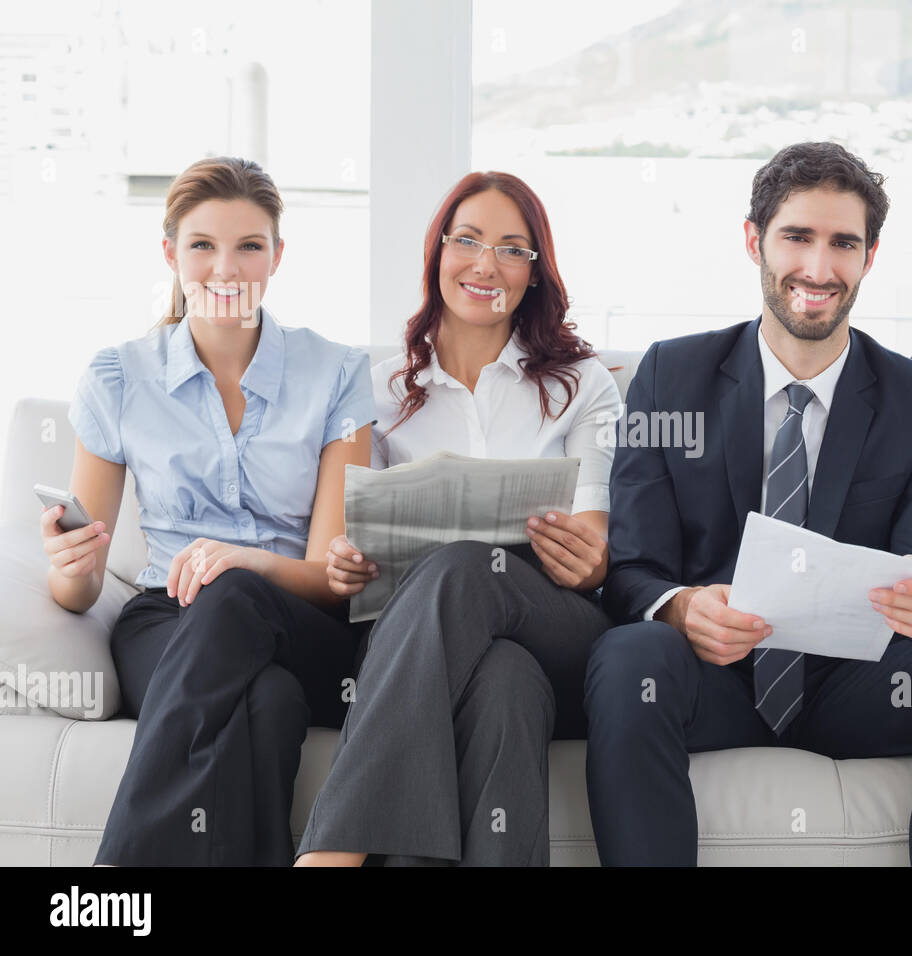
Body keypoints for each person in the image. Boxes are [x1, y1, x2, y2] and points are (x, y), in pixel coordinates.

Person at [583, 142, 912, 866]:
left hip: (853, 685)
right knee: (629, 652)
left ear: (870, 257)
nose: (819, 270)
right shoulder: (671, 375)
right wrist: (681, 607)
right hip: (713, 677)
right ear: (753, 239)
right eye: (797, 236)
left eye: (843, 244)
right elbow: (632, 567)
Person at [42, 156, 376, 866]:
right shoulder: (118, 377)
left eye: (249, 246)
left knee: (232, 594)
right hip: (168, 619)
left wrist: (245, 563)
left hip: (301, 621)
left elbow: (329, 579)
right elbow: (81, 588)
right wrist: (69, 568)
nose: (226, 269)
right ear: (171, 254)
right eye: (202, 246)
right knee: (269, 703)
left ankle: (116, 880)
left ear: (278, 256)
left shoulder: (338, 373)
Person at [294, 171, 621, 867]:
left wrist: (588, 556)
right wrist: (349, 563)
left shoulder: (581, 382)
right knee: (502, 684)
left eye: (512, 248)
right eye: (467, 240)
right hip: (425, 638)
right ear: (436, 252)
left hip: (556, 618)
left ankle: (334, 852)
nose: (486, 264)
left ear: (535, 272)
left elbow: (595, 539)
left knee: (469, 565)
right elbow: (351, 542)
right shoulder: (378, 389)